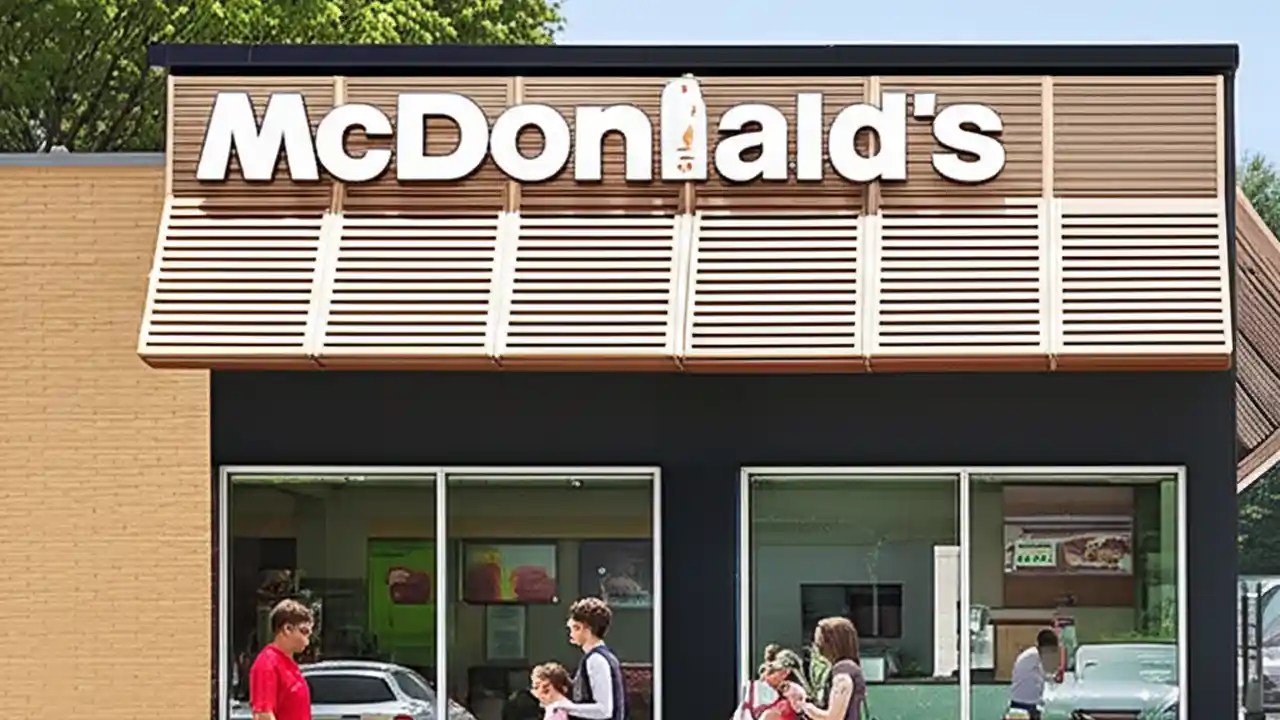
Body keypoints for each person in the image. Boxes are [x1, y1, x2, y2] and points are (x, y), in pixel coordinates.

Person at [549, 597, 626, 720]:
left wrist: (564, 707)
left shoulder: (596, 660)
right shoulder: (604, 657)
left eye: (576, 627)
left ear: (588, 629)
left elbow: (604, 710)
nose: (571, 633)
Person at [249, 599, 314, 720]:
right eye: (304, 631)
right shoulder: (267, 663)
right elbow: (263, 715)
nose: (307, 641)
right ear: (287, 629)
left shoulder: (289, 664)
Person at [793, 617, 867, 720]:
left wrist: (805, 706)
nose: (816, 645)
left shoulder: (842, 670)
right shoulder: (849, 669)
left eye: (819, 640)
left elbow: (834, 717)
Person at [1007, 628, 1060, 720]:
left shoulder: (1034, 655)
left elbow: (1043, 674)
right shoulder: (1033, 656)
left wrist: (1052, 677)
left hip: (1026, 702)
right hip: (1025, 703)